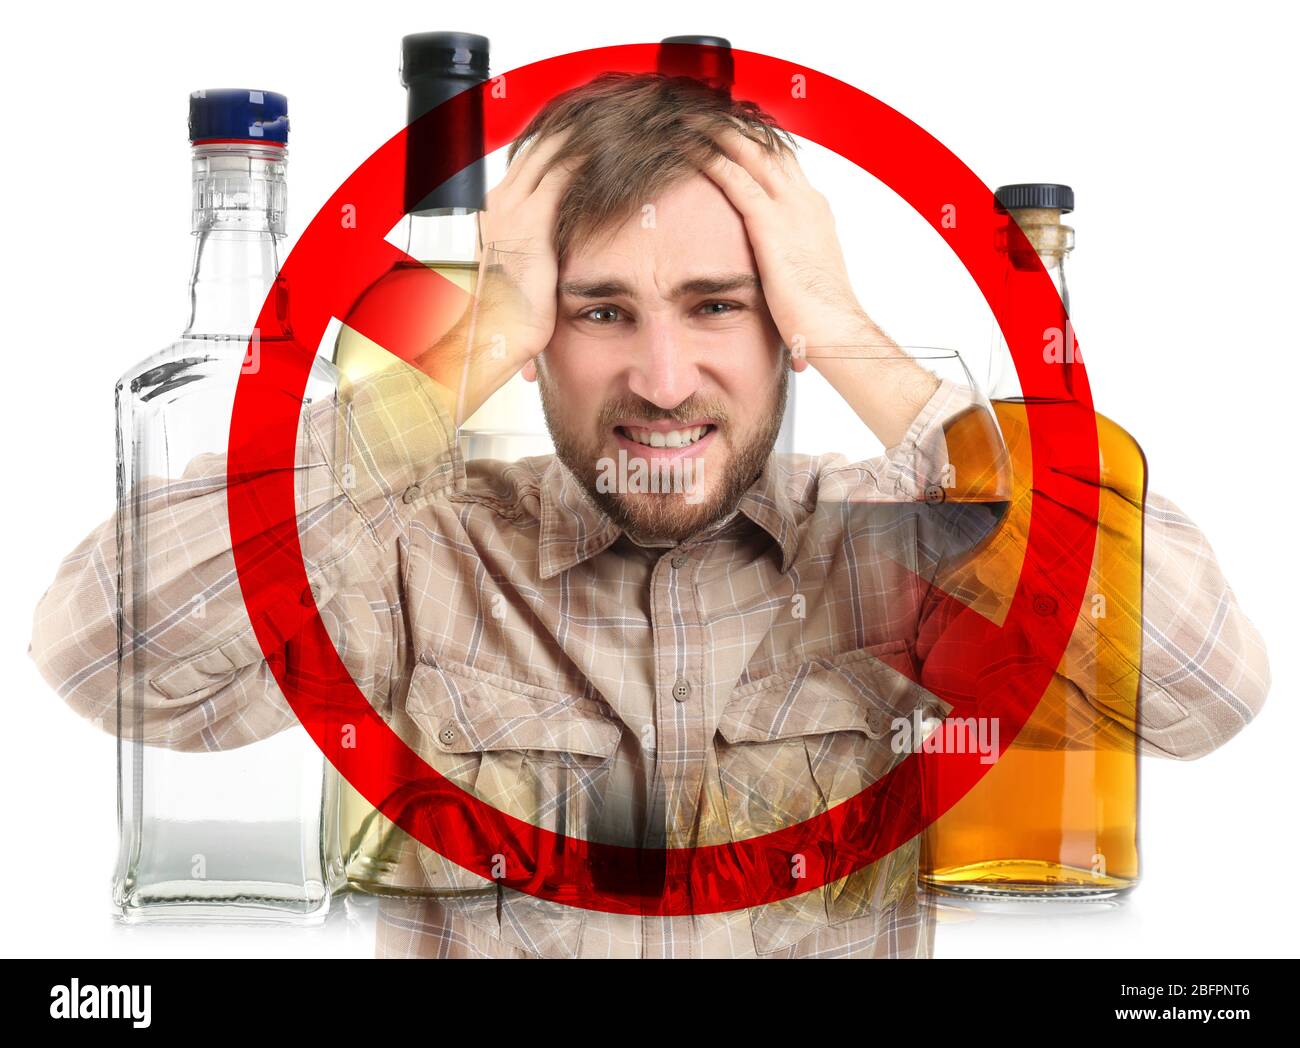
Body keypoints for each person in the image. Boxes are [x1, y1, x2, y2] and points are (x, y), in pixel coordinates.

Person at [29, 73, 1271, 959]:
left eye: (720, 305)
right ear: (533, 336)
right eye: (602, 310)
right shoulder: (421, 549)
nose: (665, 381)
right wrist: (467, 342)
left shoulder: (902, 541)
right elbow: (110, 658)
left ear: (787, 323)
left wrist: (859, 344)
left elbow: (1200, 686)